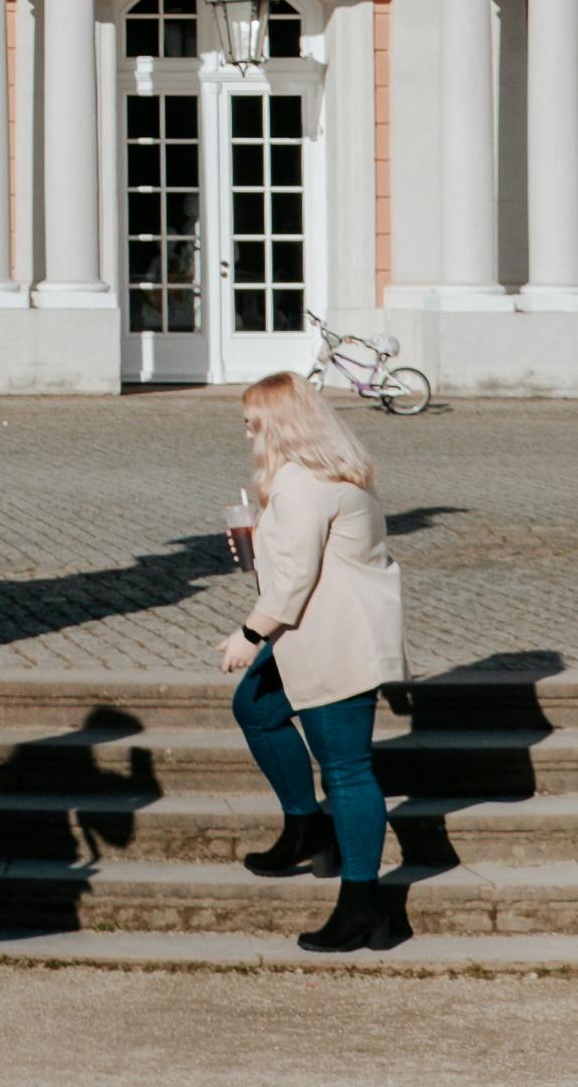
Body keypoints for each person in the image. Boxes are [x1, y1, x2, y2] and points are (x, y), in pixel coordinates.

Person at [217, 368, 411, 954]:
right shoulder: (330, 474)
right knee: (255, 707)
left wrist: (248, 635)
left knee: (347, 770)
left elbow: (300, 575)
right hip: (315, 633)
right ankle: (308, 826)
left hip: (331, 639)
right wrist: (259, 547)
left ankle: (363, 907)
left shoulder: (303, 482)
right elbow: (303, 560)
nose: (250, 439)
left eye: (254, 427)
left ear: (281, 427)